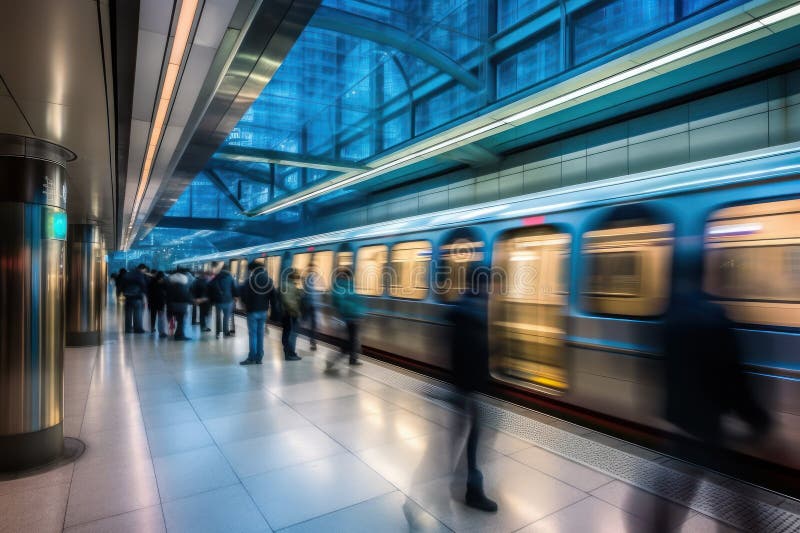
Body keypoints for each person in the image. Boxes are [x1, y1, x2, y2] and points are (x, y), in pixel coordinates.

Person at [641, 260, 771, 532]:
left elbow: (656, 369)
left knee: (672, 494)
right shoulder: (713, 318)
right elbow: (733, 379)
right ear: (705, 278)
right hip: (710, 424)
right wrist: (758, 421)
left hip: (681, 422)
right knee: (736, 497)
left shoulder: (668, 316)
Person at [445, 271, 498, 512]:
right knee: (470, 441)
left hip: (465, 388)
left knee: (465, 441)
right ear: (481, 285)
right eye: (489, 284)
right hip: (467, 389)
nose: (491, 290)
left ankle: (468, 489)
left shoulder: (466, 309)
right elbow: (470, 354)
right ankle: (472, 492)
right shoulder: (472, 313)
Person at [239, 262, 277, 365]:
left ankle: (252, 357)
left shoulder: (249, 281)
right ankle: (259, 357)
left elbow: (243, 296)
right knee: (260, 335)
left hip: (252, 312)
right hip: (264, 311)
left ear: (252, 270)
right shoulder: (269, 280)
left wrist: (245, 305)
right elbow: (273, 296)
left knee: (253, 335)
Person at [329, 267, 365, 367]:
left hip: (349, 316)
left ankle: (352, 359)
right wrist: (359, 311)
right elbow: (351, 301)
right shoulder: (346, 286)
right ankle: (335, 359)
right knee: (351, 340)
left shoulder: (339, 286)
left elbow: (338, 302)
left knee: (352, 339)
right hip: (350, 317)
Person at [208, 262, 237, 338]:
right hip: (228, 300)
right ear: (228, 269)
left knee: (218, 317)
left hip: (218, 301)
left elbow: (210, 285)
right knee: (226, 317)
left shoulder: (216, 276)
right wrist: (235, 296)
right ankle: (226, 332)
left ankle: (217, 333)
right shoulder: (230, 277)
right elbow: (234, 288)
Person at [279, 269, 303, 361]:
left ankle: (291, 352)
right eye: (296, 275)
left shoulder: (291, 285)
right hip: (289, 314)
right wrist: (296, 310)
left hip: (291, 313)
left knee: (289, 333)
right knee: (288, 334)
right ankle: (289, 354)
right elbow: (287, 300)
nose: (298, 277)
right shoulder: (287, 285)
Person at [166, 270, 194, 341]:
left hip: (171, 306)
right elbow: (187, 297)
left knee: (173, 320)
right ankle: (180, 336)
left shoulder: (170, 287)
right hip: (181, 307)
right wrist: (192, 301)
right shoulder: (184, 287)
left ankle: (173, 333)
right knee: (181, 322)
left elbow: (166, 297)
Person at [121, 264, 148, 333]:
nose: (144, 272)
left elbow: (122, 285)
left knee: (128, 313)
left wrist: (124, 292)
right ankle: (138, 329)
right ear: (142, 269)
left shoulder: (128, 274)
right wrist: (144, 294)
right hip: (137, 297)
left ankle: (128, 329)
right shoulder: (139, 274)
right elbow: (143, 285)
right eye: (144, 271)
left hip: (127, 296)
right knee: (138, 313)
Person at [302, 263, 321, 351]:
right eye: (312, 267)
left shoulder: (307, 277)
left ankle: (313, 342)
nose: (313, 269)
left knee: (311, 324)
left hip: (311, 304)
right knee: (309, 323)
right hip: (309, 304)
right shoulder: (309, 278)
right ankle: (312, 342)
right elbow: (309, 292)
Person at [147, 271, 169, 338]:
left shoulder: (151, 282)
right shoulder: (164, 283)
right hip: (160, 302)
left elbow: (148, 292)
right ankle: (161, 332)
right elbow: (166, 292)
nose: (162, 279)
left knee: (153, 316)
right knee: (160, 317)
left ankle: (152, 328)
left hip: (152, 302)